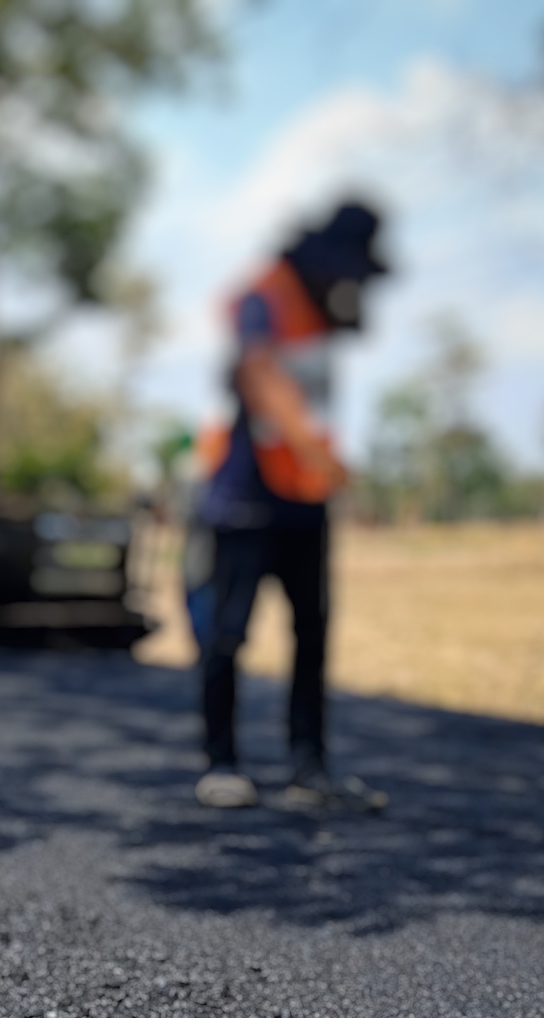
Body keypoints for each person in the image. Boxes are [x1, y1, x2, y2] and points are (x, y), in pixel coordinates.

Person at [189, 202, 390, 811]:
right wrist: (314, 450)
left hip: (304, 504)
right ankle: (221, 764)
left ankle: (310, 769)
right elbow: (258, 375)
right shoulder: (264, 296)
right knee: (227, 636)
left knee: (312, 635)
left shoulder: (323, 312)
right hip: (246, 502)